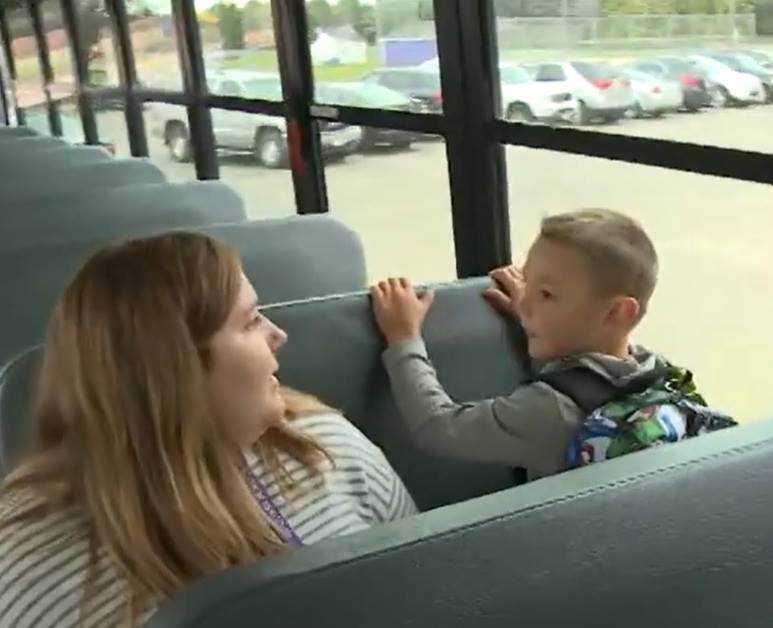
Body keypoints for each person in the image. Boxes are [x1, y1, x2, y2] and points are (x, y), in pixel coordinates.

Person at [0, 232, 416, 628]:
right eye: (251, 321)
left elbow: (422, 587)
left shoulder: (325, 443)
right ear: (176, 369)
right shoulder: (27, 559)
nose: (279, 335)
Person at [371, 209, 735, 480]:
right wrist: (531, 313)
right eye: (527, 284)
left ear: (616, 313)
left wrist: (403, 338)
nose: (526, 301)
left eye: (546, 294)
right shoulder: (653, 369)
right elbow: (586, 383)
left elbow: (436, 426)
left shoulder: (545, 411)